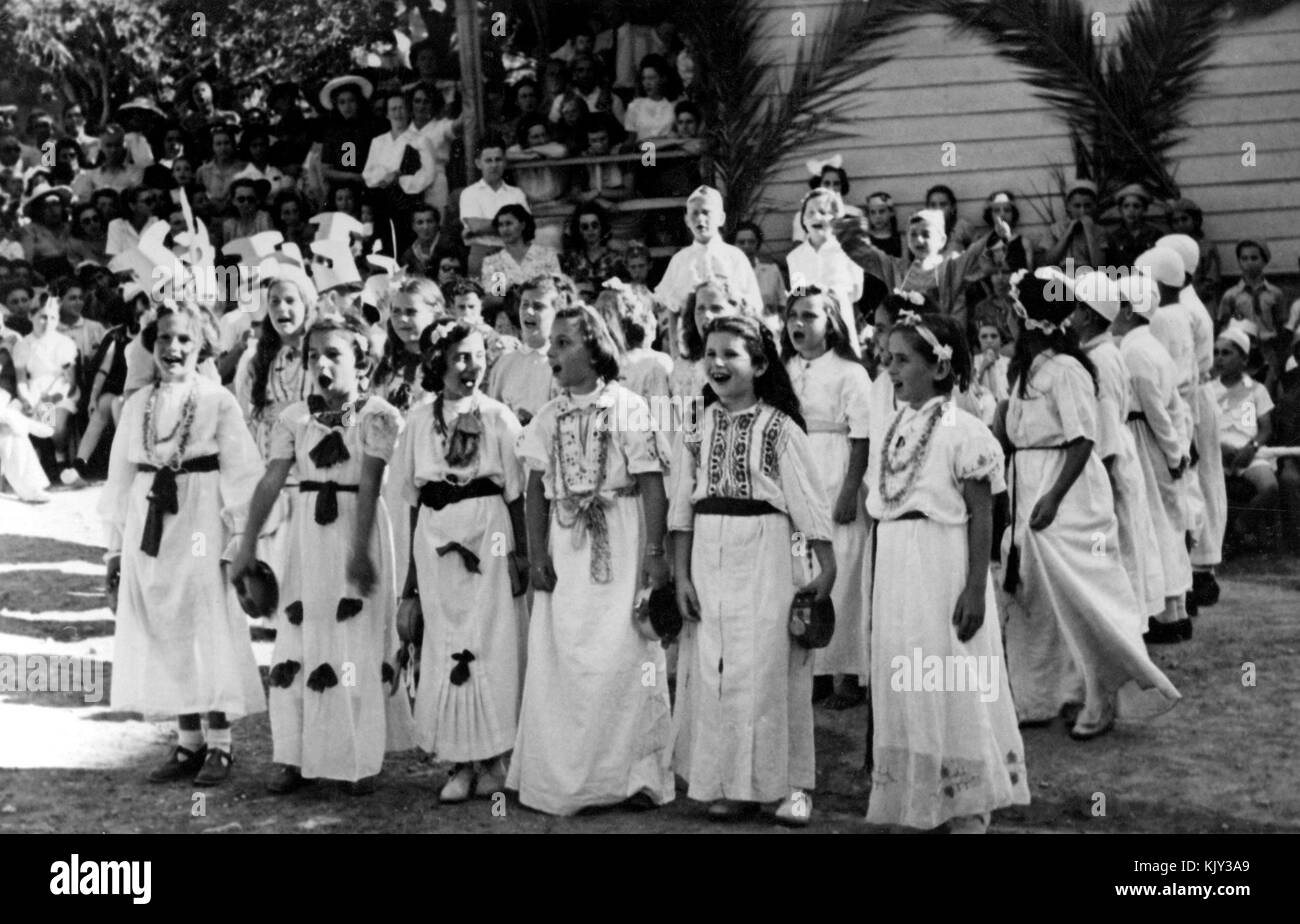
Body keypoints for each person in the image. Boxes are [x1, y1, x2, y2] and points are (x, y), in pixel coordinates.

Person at [231, 314, 413, 795]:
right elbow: (271, 480)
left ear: (363, 361)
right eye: (314, 355)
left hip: (359, 530)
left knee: (354, 640)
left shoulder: (378, 415)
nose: (322, 364)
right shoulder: (294, 418)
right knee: (299, 638)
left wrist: (359, 550)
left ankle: (358, 758)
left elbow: (371, 484)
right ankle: (294, 754)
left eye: (335, 354)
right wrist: (247, 544)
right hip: (308, 538)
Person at [509, 304, 675, 815]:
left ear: (595, 349)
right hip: (566, 543)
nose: (553, 353)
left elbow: (651, 480)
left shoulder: (627, 406)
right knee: (565, 655)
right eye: (552, 344)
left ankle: (632, 777)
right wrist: (536, 552)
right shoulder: (549, 415)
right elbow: (536, 486)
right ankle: (565, 776)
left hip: (621, 540)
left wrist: (653, 554)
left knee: (624, 655)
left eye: (564, 343)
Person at [669, 313, 834, 824]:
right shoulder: (697, 425)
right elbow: (681, 506)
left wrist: (823, 572)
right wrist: (680, 574)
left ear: (760, 364)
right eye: (710, 354)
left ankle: (789, 786)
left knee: (769, 669)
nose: (717, 364)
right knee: (719, 672)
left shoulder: (780, 428)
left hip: (767, 551)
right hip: (708, 552)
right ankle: (732, 784)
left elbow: (808, 506)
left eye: (731, 355)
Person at [1001, 268, 1181, 733]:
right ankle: (1043, 694)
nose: (1008, 320)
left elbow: (1084, 440)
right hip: (1029, 480)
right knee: (1035, 594)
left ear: (1031, 318)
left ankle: (1103, 692)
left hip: (1067, 489)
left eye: (1014, 312)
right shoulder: (1025, 370)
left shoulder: (1067, 370)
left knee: (1083, 592)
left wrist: (1053, 498)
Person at [866, 310, 1026, 833]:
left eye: (902, 360)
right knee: (904, 672)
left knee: (949, 671)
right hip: (895, 560)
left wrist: (976, 588)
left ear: (939, 368)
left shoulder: (966, 430)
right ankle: (918, 800)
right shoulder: (894, 427)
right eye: (887, 359)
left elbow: (984, 514)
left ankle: (968, 804)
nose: (891, 370)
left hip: (942, 560)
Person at [100, 301, 266, 785]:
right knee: (164, 620)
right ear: (151, 346)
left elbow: (242, 472)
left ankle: (219, 743)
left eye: (184, 340)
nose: (173, 349)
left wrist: (238, 540)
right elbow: (119, 477)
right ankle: (186, 740)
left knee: (204, 619)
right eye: (164, 340)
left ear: (203, 347)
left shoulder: (218, 400)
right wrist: (114, 548)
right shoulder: (136, 405)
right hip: (150, 519)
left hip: (200, 518)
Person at [391, 319, 527, 801]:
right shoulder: (418, 421)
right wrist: (410, 570)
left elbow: (516, 492)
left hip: (488, 531)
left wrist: (522, 554)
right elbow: (411, 497)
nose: (470, 367)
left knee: (489, 637)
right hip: (436, 534)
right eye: (460, 357)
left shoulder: (497, 416)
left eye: (477, 356)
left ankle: (494, 758)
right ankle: (460, 762)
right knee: (446, 639)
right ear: (437, 364)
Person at [782, 288, 871, 709]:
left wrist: (851, 488)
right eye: (792, 316)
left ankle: (847, 673)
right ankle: (813, 666)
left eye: (810, 316)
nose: (798, 324)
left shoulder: (849, 373)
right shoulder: (783, 369)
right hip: (796, 468)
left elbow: (862, 434)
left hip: (835, 470)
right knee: (804, 566)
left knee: (845, 568)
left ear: (831, 322)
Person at [1070, 270, 1166, 625]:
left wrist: (1106, 480)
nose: (1070, 315)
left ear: (1090, 315)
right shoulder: (1096, 353)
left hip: (1110, 460)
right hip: (1109, 456)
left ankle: (1127, 624)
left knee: (1119, 543)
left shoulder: (1103, 360)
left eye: (1076, 308)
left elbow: (1107, 424)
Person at [840, 208, 1019, 324]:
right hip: (905, 340)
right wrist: (843, 228)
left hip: (939, 338)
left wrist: (996, 234)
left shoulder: (949, 268)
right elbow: (867, 256)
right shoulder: (897, 269)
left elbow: (973, 253)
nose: (919, 240)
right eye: (913, 234)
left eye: (926, 234)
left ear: (941, 240)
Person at [653, 186, 763, 356]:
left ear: (720, 218)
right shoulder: (680, 260)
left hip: (729, 341)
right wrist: (675, 350)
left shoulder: (734, 257)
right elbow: (671, 311)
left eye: (706, 212)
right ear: (687, 220)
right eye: (694, 213)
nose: (700, 219)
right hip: (690, 345)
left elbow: (751, 307)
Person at [1211, 324, 1279, 552]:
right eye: (1216, 353)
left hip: (1249, 451)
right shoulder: (1207, 390)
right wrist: (1219, 448)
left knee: (1269, 487)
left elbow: (1266, 428)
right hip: (1215, 452)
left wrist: (1252, 447)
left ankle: (1236, 533)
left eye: (1227, 353)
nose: (1219, 358)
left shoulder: (1256, 389)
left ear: (1243, 359)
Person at [786, 188, 864, 355]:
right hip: (809, 322)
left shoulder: (849, 251)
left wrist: (833, 297)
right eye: (810, 213)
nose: (816, 217)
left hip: (840, 317)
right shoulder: (795, 257)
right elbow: (797, 293)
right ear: (803, 221)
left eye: (822, 212)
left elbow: (856, 292)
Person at [362, 91, 437, 256]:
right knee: (383, 245)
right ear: (387, 114)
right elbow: (368, 174)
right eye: (393, 109)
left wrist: (401, 180)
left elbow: (429, 174)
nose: (398, 113)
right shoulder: (378, 141)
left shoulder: (421, 141)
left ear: (409, 111)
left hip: (407, 201)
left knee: (404, 245)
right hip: (381, 201)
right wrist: (384, 176)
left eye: (401, 108)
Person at [486, 274, 567, 425]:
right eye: (525, 304)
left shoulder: (564, 363)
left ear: (556, 313)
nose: (528, 311)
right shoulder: (504, 364)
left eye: (538, 306)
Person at [12, 297, 79, 472]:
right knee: (18, 419)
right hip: (34, 390)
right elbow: (21, 381)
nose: (47, 322)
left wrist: (56, 396)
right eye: (42, 317)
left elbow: (70, 380)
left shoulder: (64, 343)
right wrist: (26, 399)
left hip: (60, 389)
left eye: (53, 317)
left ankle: (60, 459)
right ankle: (34, 464)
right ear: (30, 316)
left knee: (52, 424)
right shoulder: (22, 345)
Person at [1218, 239, 1286, 388]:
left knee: (1267, 397)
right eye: (1244, 258)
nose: (1249, 263)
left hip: (1268, 354)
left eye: (1254, 258)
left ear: (1264, 261)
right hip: (1244, 355)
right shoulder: (1231, 296)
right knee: (1245, 396)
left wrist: (1279, 359)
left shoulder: (1275, 294)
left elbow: (1280, 327)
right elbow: (1224, 328)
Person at [458, 136, 529, 278]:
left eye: (498, 160)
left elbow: (526, 227)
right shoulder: (470, 193)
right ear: (479, 163)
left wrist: (487, 226)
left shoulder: (516, 193)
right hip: (484, 253)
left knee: (513, 296)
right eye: (488, 160)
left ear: (505, 162)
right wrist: (511, 223)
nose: (494, 165)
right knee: (494, 298)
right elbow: (476, 226)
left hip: (513, 252)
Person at [480, 204, 561, 295]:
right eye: (500, 225)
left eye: (509, 223)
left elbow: (556, 289)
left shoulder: (547, 255)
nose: (504, 229)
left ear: (522, 225)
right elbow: (497, 296)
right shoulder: (493, 262)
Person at [1040, 179, 1108, 271]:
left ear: (1094, 206)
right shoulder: (1054, 229)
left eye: (1087, 206)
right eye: (1077, 206)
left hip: (1087, 276)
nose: (1082, 211)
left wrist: (1089, 232)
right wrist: (1068, 233)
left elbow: (1099, 266)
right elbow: (1049, 261)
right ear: (1068, 206)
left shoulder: (1099, 231)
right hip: (1061, 275)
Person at [733, 221, 786, 330]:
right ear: (733, 245)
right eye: (741, 242)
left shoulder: (771, 271)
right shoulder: (728, 274)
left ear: (758, 243)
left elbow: (783, 303)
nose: (746, 246)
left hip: (770, 327)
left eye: (751, 242)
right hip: (739, 329)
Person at [1168, 198, 1220, 306]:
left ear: (1195, 220)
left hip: (1202, 302)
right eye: (1176, 221)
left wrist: (1191, 297)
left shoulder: (1206, 247)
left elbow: (1211, 279)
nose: (1180, 224)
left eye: (1184, 219)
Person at [561, 202, 626, 287]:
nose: (590, 230)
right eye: (585, 226)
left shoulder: (615, 257)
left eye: (594, 225)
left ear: (601, 226)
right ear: (579, 230)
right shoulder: (573, 258)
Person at [70, 126, 143, 200]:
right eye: (109, 145)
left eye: (117, 145)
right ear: (101, 147)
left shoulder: (135, 171)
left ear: (123, 146)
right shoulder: (90, 173)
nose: (113, 150)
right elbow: (83, 200)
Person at [1104, 183, 1163, 270]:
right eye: (1126, 206)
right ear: (1120, 210)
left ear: (1145, 209)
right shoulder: (1113, 238)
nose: (1131, 210)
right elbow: (1110, 269)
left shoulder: (1155, 235)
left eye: (1136, 206)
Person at [622, 54, 678, 143]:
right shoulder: (635, 106)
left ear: (663, 78)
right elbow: (631, 139)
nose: (647, 83)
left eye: (651, 78)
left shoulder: (675, 105)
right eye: (644, 78)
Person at [195, 125, 247, 211]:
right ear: (212, 147)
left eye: (227, 143)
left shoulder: (243, 168)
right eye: (218, 144)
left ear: (233, 145)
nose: (223, 148)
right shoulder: (202, 171)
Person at [925, 184, 974, 255]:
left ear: (952, 207)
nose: (938, 209)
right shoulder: (920, 228)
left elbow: (976, 255)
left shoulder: (962, 227)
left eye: (943, 204)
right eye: (933, 205)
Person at [398, 204, 441, 277]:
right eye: (420, 222)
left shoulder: (451, 247)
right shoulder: (408, 255)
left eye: (430, 221)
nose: (425, 227)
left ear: (437, 223)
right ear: (413, 226)